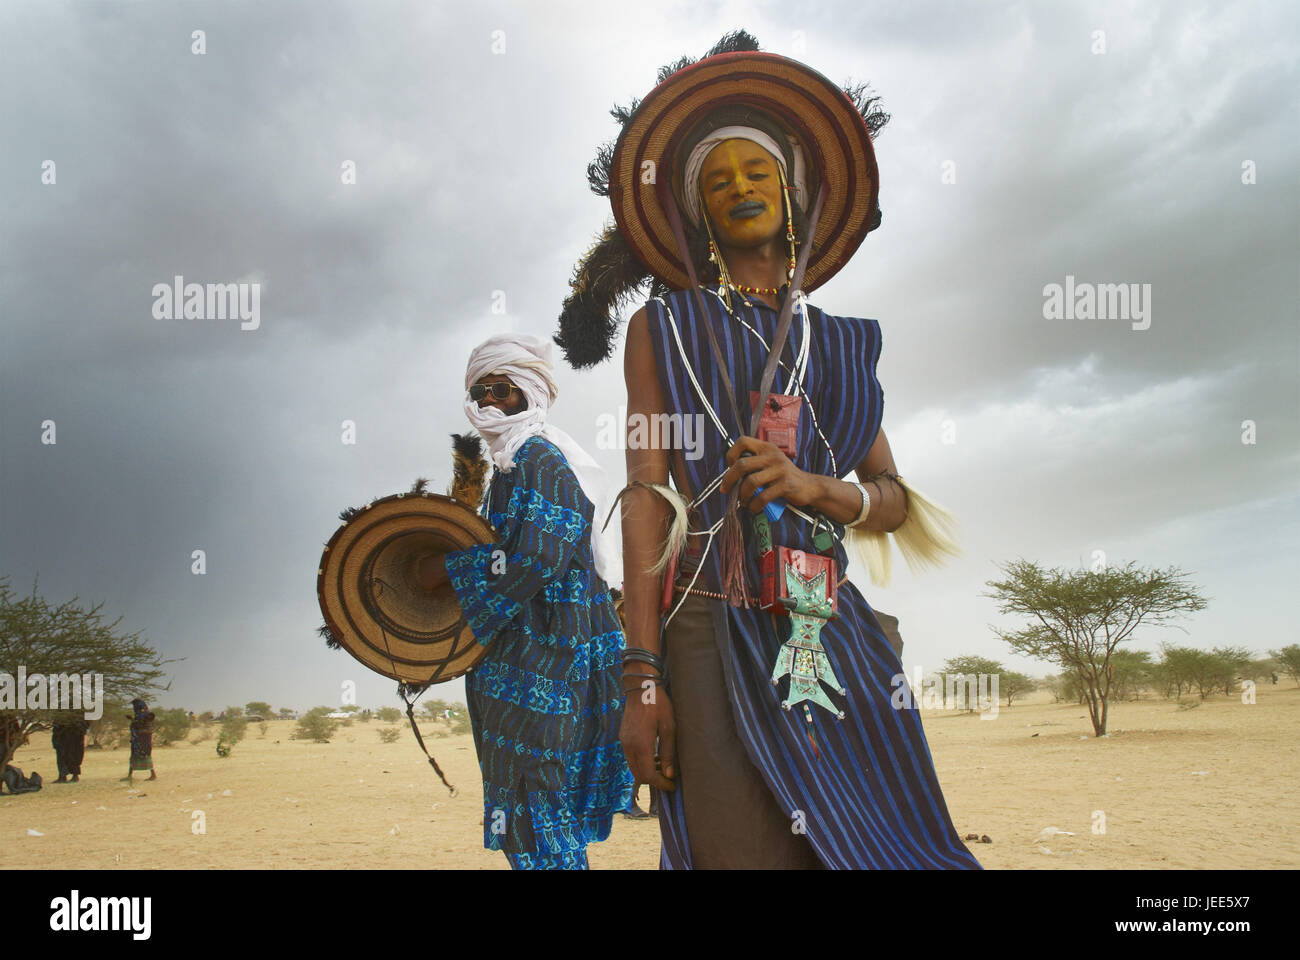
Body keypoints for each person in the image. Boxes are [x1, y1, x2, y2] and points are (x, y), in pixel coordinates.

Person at [555, 30, 981, 869]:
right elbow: (646, 496)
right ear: (700, 213)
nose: (739, 189)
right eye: (718, 182)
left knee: (880, 847)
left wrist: (814, 488)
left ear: (793, 193)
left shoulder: (837, 346)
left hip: (829, 626)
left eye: (757, 173)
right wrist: (641, 677)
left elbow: (891, 499)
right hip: (709, 621)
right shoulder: (664, 329)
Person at [415, 334, 633, 869]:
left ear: (531, 393)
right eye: (480, 391)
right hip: (529, 665)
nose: (488, 402)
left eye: (503, 391)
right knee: (540, 818)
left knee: (539, 814)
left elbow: (535, 558)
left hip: (547, 669)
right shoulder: (512, 466)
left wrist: (445, 571)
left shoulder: (540, 460)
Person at [122, 699, 156, 782]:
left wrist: (132, 720)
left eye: (134, 706)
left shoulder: (146, 715)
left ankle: (153, 774)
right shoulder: (141, 714)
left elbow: (141, 724)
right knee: (135, 755)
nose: (134, 708)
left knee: (144, 755)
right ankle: (130, 775)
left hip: (143, 740)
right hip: (138, 739)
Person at [52, 718, 89, 783]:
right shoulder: (60, 711)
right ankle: (62, 775)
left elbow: (86, 721)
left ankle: (75, 775)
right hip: (62, 733)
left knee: (74, 755)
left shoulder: (78, 713)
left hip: (75, 733)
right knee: (61, 755)